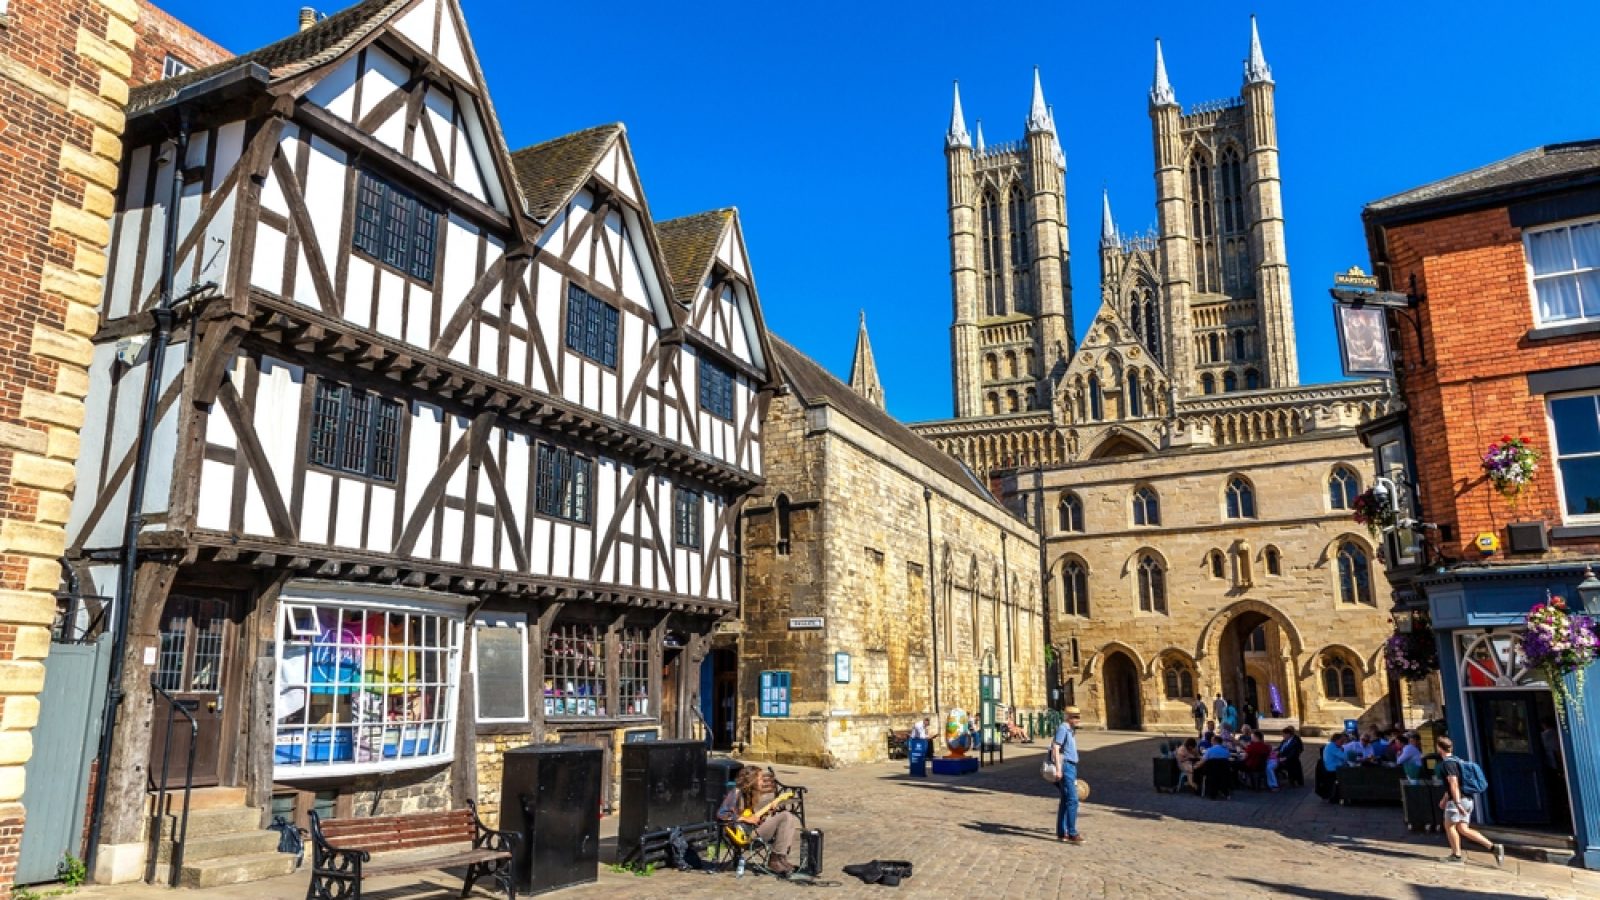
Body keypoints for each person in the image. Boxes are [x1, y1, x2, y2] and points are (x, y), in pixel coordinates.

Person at [717, 767, 802, 874]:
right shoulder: (736, 793)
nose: (763, 781)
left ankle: (781, 858)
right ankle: (775, 859)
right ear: (752, 779)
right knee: (785, 816)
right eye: (761, 778)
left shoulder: (750, 795)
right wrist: (745, 819)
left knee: (787, 817)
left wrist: (765, 814)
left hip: (751, 830)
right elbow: (721, 815)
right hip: (742, 836)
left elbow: (753, 819)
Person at [1436, 736, 1504, 866]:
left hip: (1458, 801)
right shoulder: (1458, 761)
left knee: (1449, 826)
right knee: (1463, 828)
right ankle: (1493, 847)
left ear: (1439, 748)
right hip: (1468, 800)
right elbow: (1452, 785)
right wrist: (1444, 799)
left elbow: (1454, 783)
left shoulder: (1447, 764)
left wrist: (1456, 803)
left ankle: (1456, 855)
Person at [1050, 706, 1084, 844]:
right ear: (1068, 717)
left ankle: (1061, 832)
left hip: (1070, 766)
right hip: (1066, 766)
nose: (1077, 719)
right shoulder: (1063, 728)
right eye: (1075, 717)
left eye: (1078, 716)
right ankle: (1072, 833)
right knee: (1073, 800)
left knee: (1065, 799)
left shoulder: (1070, 730)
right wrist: (1058, 769)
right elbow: (1055, 748)